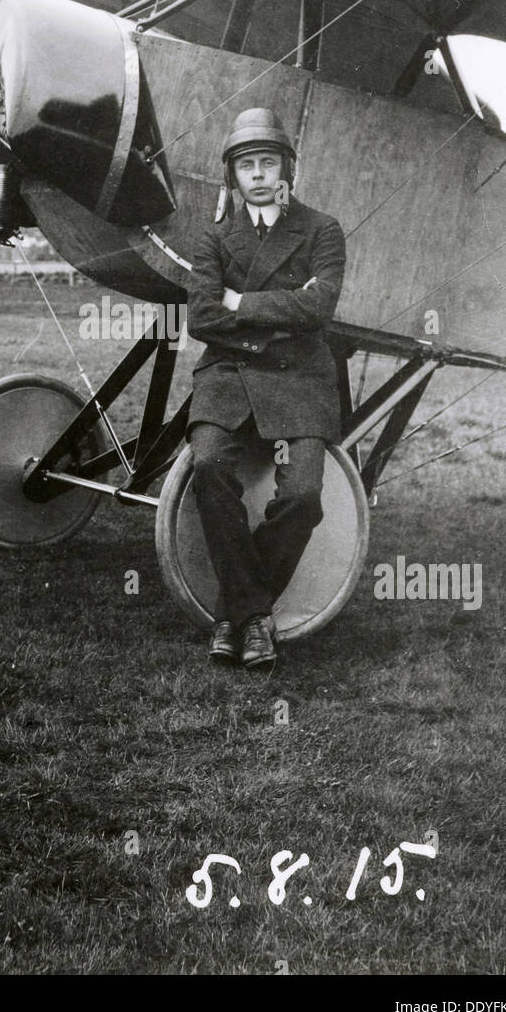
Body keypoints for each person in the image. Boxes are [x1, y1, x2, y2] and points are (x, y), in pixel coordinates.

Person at [186, 107, 346, 670]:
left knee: (303, 497)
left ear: (286, 171)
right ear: (233, 177)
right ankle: (255, 618)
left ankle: (236, 614)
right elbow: (201, 317)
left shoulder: (323, 230)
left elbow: (319, 307)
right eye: (246, 164)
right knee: (208, 469)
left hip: (300, 379)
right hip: (226, 377)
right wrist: (279, 312)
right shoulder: (214, 238)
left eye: (267, 162)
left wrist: (241, 302)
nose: (257, 173)